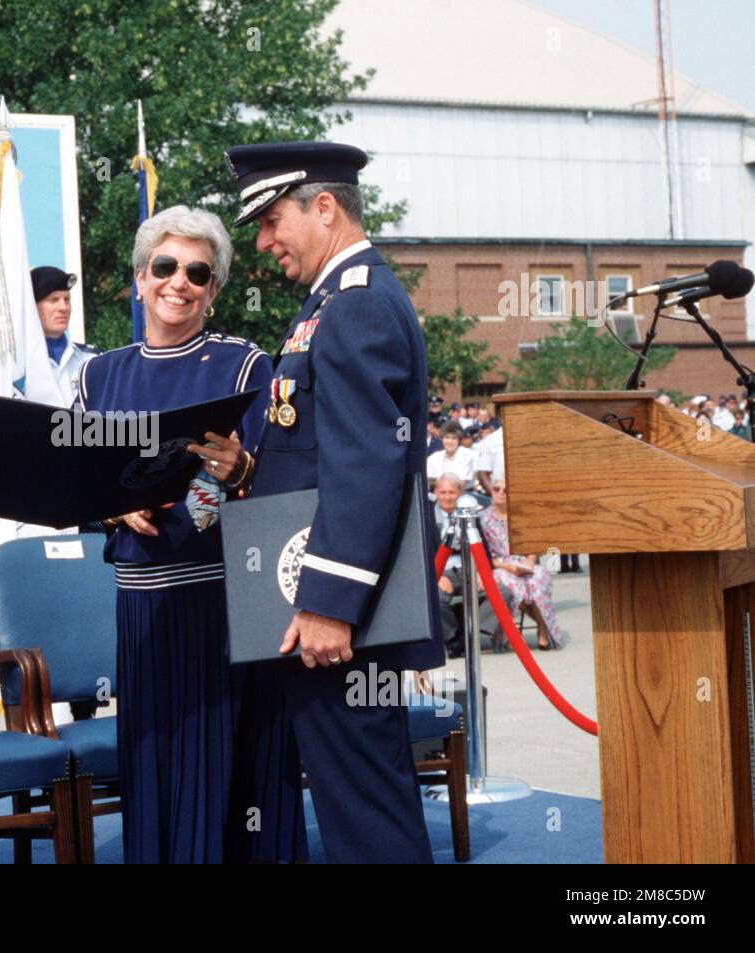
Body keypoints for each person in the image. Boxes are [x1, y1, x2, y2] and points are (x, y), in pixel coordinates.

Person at [226, 140, 445, 863]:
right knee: (359, 802)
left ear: (324, 208)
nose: (263, 243)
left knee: (367, 812)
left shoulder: (354, 306)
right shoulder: (333, 302)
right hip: (329, 610)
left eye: (270, 220)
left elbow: (365, 464)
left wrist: (328, 602)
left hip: (343, 620)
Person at [80, 204, 286, 863]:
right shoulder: (97, 374)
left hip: (222, 601)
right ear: (138, 278)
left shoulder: (244, 366)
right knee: (151, 769)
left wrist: (240, 470)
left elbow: (276, 478)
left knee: (224, 772)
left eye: (198, 272)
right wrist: (113, 509)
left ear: (215, 288)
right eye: (164, 266)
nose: (179, 282)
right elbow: (75, 486)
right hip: (139, 600)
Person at [478, 478, 561, 650]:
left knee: (539, 577)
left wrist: (529, 563)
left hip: (523, 560)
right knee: (512, 585)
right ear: (490, 491)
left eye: (505, 490)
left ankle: (543, 629)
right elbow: (484, 553)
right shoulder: (483, 518)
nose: (501, 492)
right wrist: (507, 567)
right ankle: (536, 626)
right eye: (496, 488)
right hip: (500, 564)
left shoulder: (521, 515)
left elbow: (534, 544)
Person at [432, 473, 506, 656]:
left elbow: (484, 549)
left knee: (503, 590)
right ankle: (452, 638)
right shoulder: (426, 516)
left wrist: (482, 572)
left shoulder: (470, 515)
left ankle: (473, 632)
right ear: (436, 493)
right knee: (434, 597)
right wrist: (437, 575)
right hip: (441, 570)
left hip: (468, 569)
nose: (447, 497)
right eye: (443, 492)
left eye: (452, 492)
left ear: (461, 494)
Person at [31, 265, 97, 407]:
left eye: (66, 299)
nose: (63, 307)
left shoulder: (91, 360)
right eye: (53, 300)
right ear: (33, 307)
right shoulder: (17, 367)